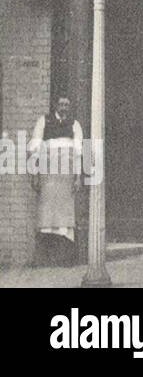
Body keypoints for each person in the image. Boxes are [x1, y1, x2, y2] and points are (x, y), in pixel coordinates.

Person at [28, 96, 83, 266]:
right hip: (48, 177)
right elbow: (34, 149)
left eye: (67, 104)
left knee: (65, 218)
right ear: (55, 105)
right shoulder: (44, 122)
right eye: (61, 104)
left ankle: (64, 259)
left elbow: (78, 152)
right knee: (47, 217)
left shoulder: (75, 124)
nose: (64, 107)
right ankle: (45, 259)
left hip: (66, 177)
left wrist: (78, 177)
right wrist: (35, 175)